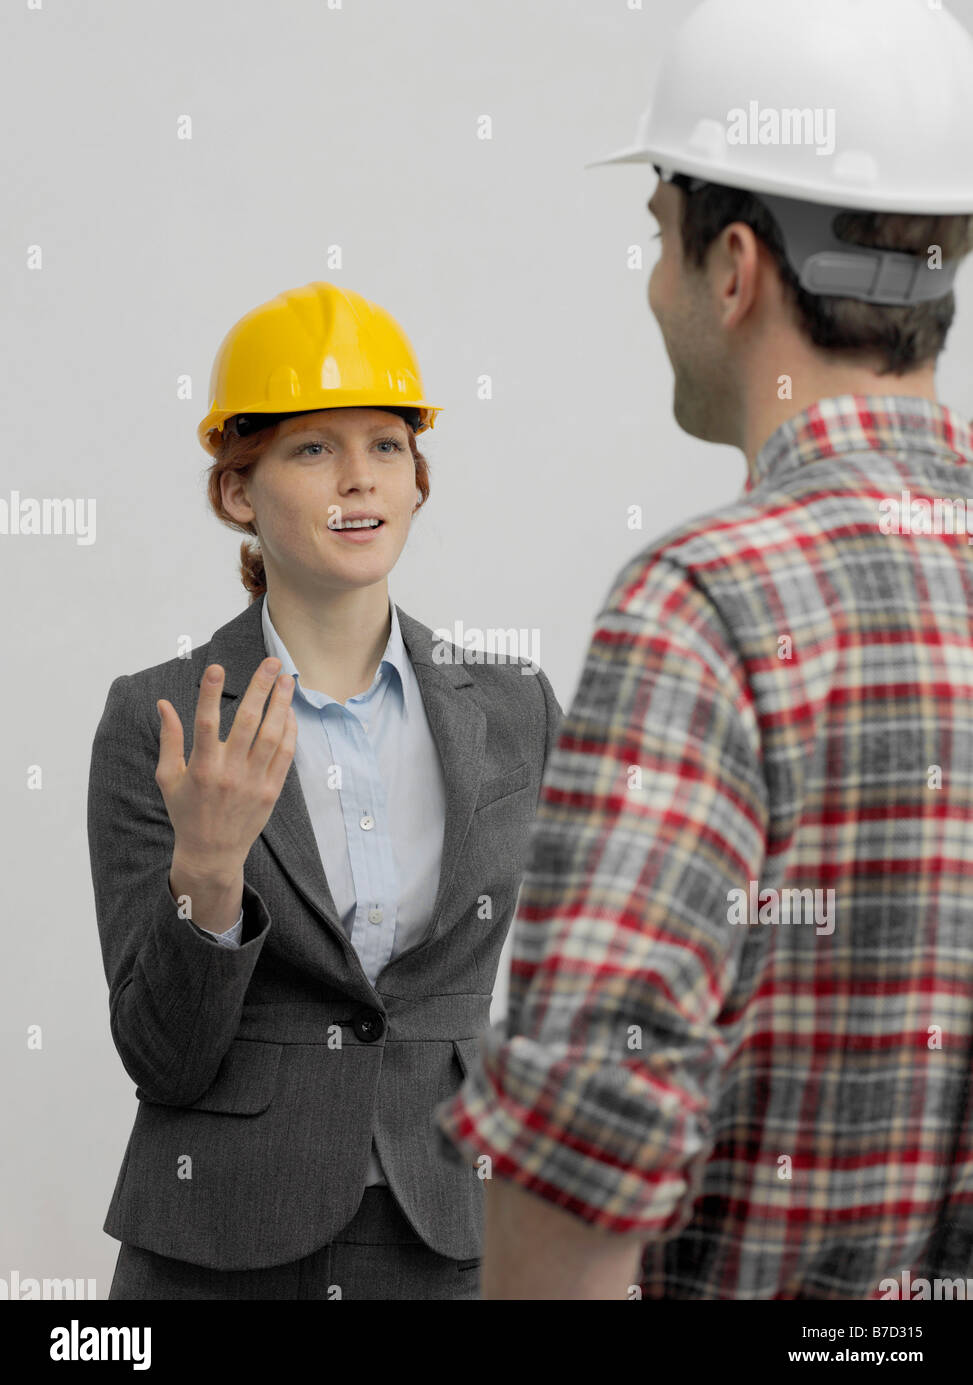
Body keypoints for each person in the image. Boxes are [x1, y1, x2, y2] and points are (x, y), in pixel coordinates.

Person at [436, 0, 973, 1299]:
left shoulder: (708, 606)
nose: (649, 281)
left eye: (655, 237)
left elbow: (582, 1138)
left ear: (732, 266)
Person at [86, 280, 562, 1299]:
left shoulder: (518, 706)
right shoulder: (158, 717)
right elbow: (161, 1059)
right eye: (313, 449)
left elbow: (584, 988)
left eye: (385, 445)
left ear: (418, 476)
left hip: (452, 1227)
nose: (360, 479)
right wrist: (208, 873)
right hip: (217, 1239)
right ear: (235, 491)